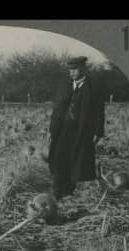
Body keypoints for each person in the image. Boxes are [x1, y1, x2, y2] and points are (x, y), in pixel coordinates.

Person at [48, 56, 105, 200]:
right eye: (70, 70)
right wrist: (51, 129)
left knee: (76, 159)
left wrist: (98, 131)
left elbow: (99, 111)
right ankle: (57, 189)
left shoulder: (94, 87)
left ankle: (68, 190)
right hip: (63, 128)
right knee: (59, 156)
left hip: (82, 130)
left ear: (83, 69)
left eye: (75, 69)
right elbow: (57, 109)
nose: (72, 73)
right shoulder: (64, 85)